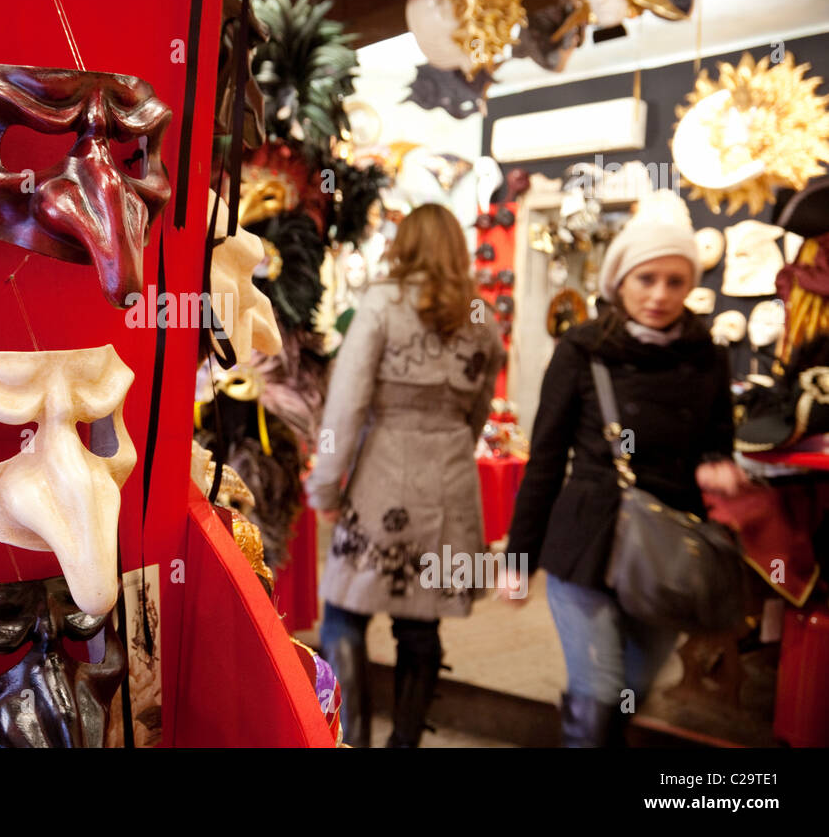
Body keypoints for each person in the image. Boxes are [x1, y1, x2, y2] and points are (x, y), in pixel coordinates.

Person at [507, 215, 746, 747]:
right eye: (646, 278)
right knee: (597, 697)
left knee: (628, 693)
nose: (660, 295)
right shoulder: (582, 349)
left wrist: (717, 464)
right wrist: (518, 560)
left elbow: (717, 439)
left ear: (691, 285)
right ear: (619, 280)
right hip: (586, 546)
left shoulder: (708, 355)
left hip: (666, 553)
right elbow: (544, 460)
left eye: (676, 281)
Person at [306, 202, 505, 747]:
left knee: (345, 610)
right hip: (449, 482)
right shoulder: (481, 319)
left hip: (381, 479)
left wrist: (326, 484)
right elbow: (479, 411)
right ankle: (406, 742)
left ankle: (348, 740)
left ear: (404, 245)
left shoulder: (380, 306)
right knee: (422, 621)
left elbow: (344, 407)